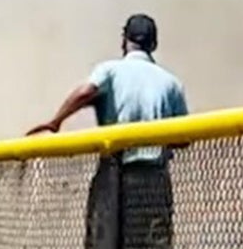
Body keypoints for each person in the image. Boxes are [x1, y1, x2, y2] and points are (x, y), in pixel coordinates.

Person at [28, 13, 189, 249]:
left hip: (114, 172)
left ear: (124, 40)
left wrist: (56, 121)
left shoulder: (110, 70)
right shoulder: (171, 83)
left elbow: (85, 92)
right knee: (152, 241)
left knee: (103, 240)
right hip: (153, 176)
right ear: (153, 45)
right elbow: (184, 138)